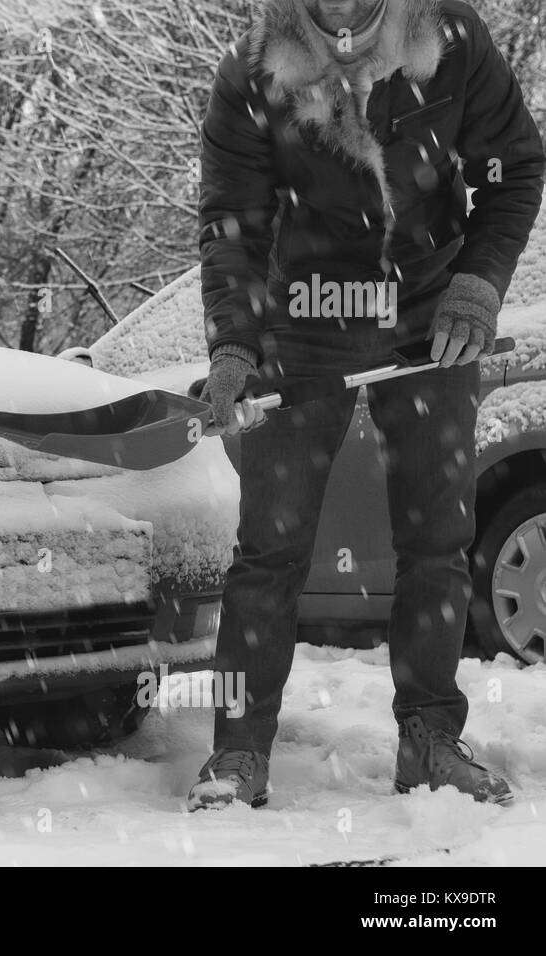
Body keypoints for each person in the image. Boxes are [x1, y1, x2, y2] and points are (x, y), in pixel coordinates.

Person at [190, 0, 544, 809]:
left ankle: (430, 740)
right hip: (302, 318)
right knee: (269, 550)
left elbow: (514, 166)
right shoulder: (253, 66)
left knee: (438, 540)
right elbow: (231, 223)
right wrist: (235, 345)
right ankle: (238, 753)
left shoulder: (449, 37)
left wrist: (479, 284)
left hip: (427, 311)